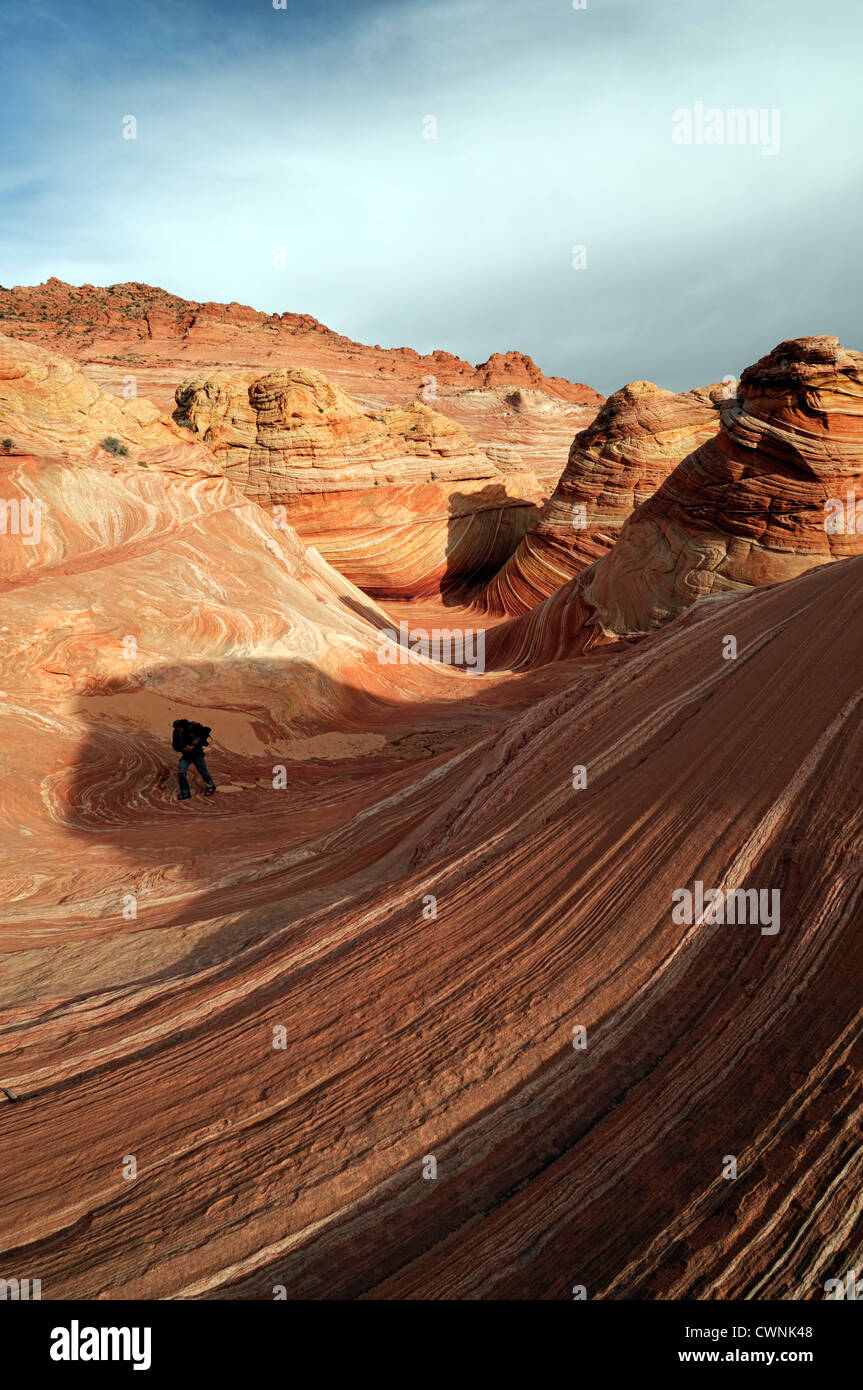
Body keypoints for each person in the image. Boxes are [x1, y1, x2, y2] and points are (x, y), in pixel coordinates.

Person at [172, 718, 216, 800]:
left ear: (182, 726)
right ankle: (185, 793)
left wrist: (198, 739)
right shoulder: (176, 733)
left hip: (197, 754)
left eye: (179, 729)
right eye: (177, 729)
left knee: (203, 771)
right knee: (181, 772)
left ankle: (210, 787)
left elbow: (207, 730)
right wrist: (184, 748)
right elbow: (175, 746)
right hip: (186, 755)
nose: (179, 730)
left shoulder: (192, 727)